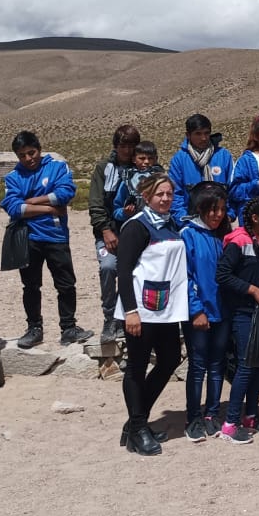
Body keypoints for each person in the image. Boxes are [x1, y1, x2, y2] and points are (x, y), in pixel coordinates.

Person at [115, 173, 190, 455]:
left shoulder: (171, 224)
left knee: (170, 359)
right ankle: (138, 427)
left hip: (166, 309)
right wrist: (131, 311)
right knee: (137, 365)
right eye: (160, 194)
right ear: (146, 197)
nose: (165, 199)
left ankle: (137, 422)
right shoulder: (136, 227)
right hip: (142, 310)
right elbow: (123, 271)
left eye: (169, 194)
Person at [1, 131, 94, 347]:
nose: (28, 158)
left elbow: (65, 193)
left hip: (55, 236)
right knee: (31, 286)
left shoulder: (57, 168)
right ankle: (34, 329)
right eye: (22, 155)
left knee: (66, 284)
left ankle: (69, 328)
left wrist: (33, 200)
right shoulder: (13, 178)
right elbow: (13, 207)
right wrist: (48, 208)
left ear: (39, 149)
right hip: (28, 238)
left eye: (31, 153)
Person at [216, 194, 259, 443]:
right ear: (256, 218)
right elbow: (223, 276)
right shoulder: (238, 242)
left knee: (256, 364)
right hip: (243, 313)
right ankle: (230, 424)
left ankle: (251, 416)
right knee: (246, 366)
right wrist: (252, 290)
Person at [180, 183, 232, 441]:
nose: (217, 215)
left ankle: (212, 413)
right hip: (199, 313)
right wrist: (195, 310)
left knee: (217, 364)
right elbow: (186, 277)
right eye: (212, 210)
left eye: (222, 209)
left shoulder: (224, 235)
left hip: (223, 311)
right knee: (198, 366)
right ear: (200, 209)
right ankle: (193, 416)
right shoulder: (188, 235)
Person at [88, 124, 139, 341]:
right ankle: (110, 318)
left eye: (132, 146)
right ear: (116, 146)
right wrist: (106, 230)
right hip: (109, 232)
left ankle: (126, 315)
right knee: (108, 267)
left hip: (136, 234)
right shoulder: (104, 169)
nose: (127, 151)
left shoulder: (144, 168)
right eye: (123, 146)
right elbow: (96, 204)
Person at [168, 114, 234, 224]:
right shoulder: (179, 159)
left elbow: (233, 189)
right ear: (188, 135)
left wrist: (229, 215)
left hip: (220, 221)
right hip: (191, 223)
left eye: (206, 133)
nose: (203, 138)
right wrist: (185, 220)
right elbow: (175, 195)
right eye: (198, 134)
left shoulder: (223, 156)